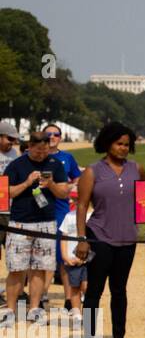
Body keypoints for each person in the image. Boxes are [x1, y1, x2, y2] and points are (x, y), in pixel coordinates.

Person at [76, 122, 145, 338]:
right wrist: (82, 238)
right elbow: (82, 205)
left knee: (120, 290)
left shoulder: (137, 168)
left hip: (127, 237)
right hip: (100, 235)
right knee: (95, 289)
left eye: (127, 144)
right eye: (119, 144)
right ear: (107, 144)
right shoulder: (92, 171)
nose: (124, 148)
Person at [1, 131, 69, 327]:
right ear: (29, 147)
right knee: (16, 268)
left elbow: (64, 192)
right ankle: (10, 311)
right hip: (20, 223)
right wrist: (27, 182)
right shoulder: (17, 165)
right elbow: (6, 193)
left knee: (40, 267)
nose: (41, 155)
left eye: (45, 150)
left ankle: (34, 309)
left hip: (46, 222)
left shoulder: (55, 165)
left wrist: (51, 184)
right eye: (38, 151)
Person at [44, 123, 82, 312]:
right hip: (39, 213)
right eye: (48, 134)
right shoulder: (35, 156)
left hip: (60, 211)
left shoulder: (67, 157)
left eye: (56, 134)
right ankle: (42, 296)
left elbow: (77, 178)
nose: (52, 137)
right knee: (42, 258)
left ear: (60, 137)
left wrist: (71, 188)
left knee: (62, 257)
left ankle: (69, 298)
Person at [0, 120, 21, 267]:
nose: (12, 143)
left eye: (14, 140)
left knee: (14, 249)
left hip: (11, 208)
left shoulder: (15, 154)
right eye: (9, 138)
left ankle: (15, 288)